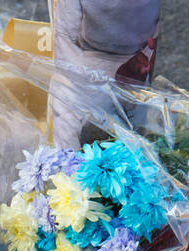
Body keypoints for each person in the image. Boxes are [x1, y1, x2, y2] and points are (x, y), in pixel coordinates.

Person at [49, 0, 161, 146]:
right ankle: (134, 156)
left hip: (89, 59)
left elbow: (67, 33)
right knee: (133, 122)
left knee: (70, 119)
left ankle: (70, 164)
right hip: (138, 55)